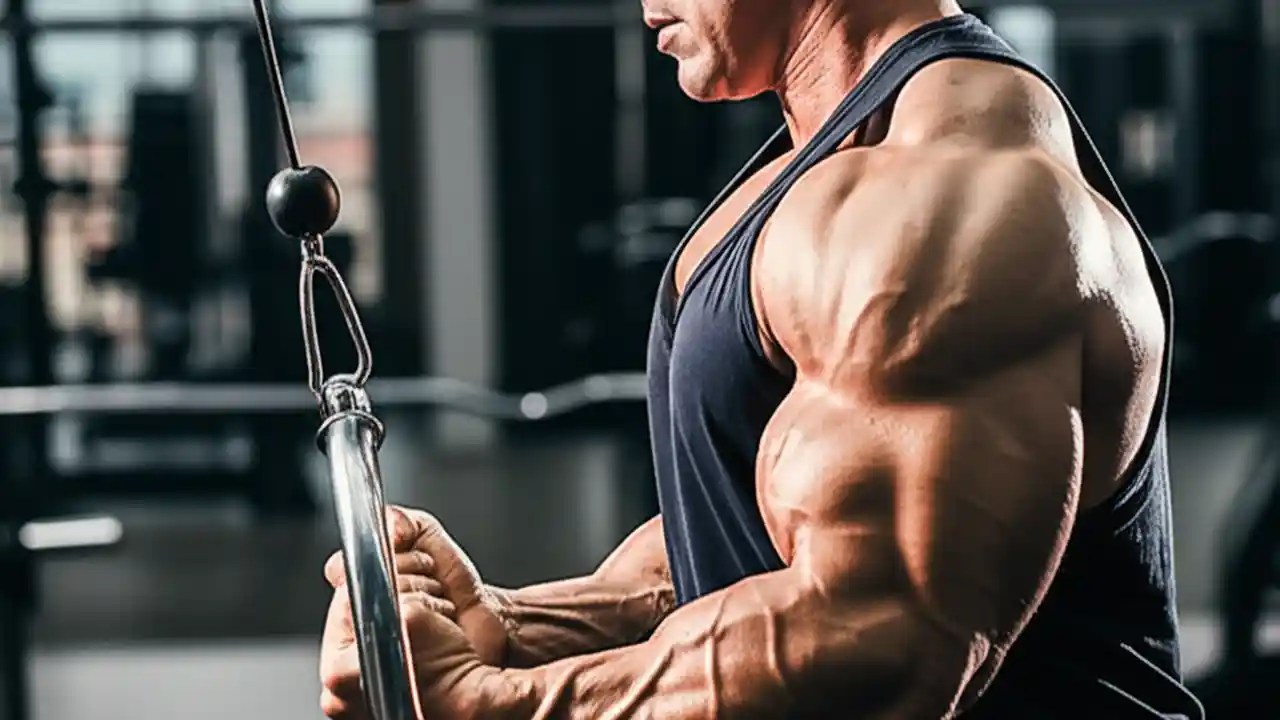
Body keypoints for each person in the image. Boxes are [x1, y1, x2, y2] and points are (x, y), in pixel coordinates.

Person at [319, 1, 1206, 717]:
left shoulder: (946, 197)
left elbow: (879, 642)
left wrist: (502, 707)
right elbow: (756, 527)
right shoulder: (811, 171)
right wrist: (517, 626)